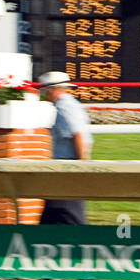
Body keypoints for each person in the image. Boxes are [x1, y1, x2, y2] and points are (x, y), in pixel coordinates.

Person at [37, 71, 93, 224]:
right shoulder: (70, 105)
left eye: (43, 90)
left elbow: (78, 135)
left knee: (67, 215)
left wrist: (82, 167)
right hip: (65, 170)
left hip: (66, 170)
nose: (43, 94)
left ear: (51, 89)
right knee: (52, 215)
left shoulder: (64, 107)